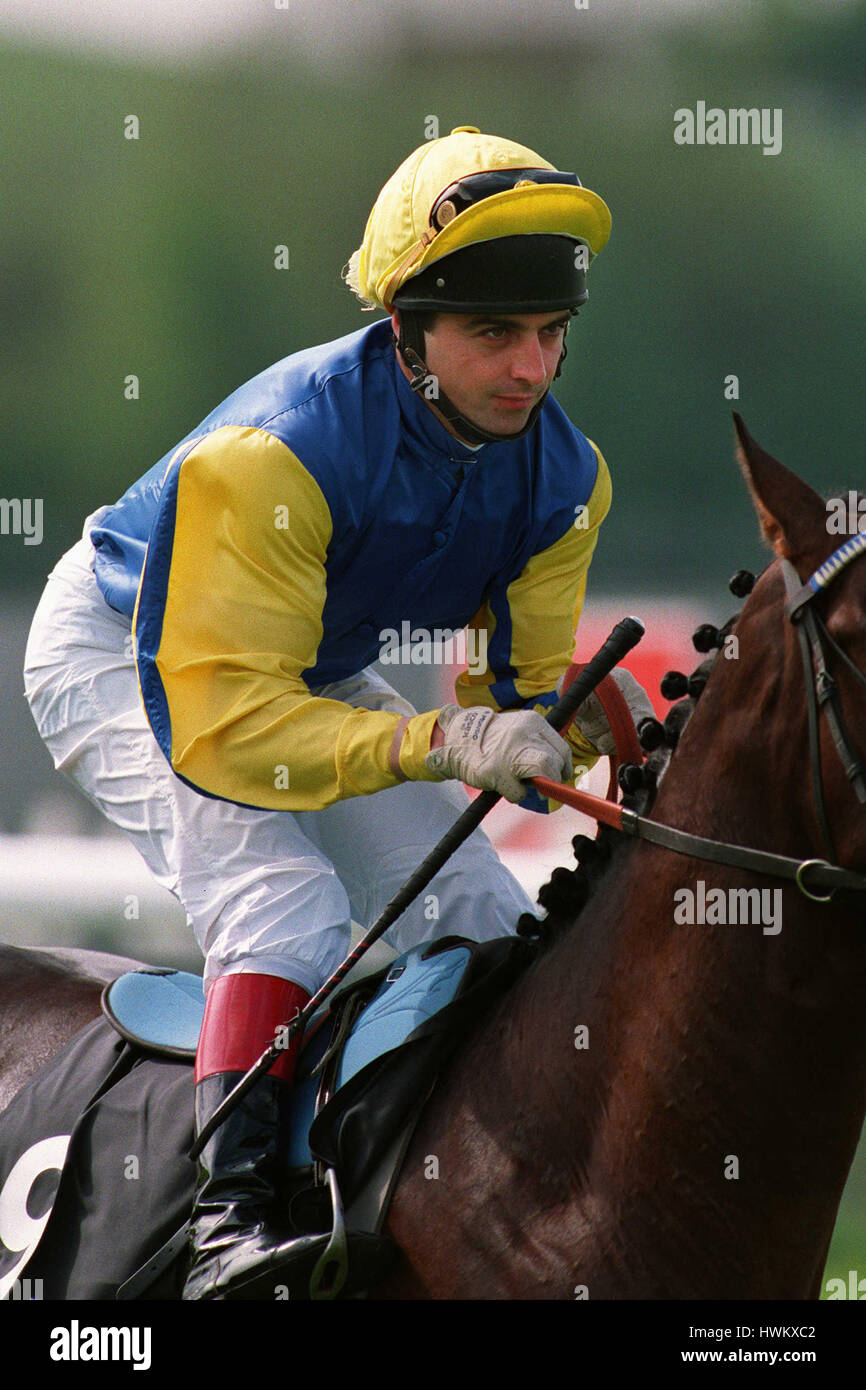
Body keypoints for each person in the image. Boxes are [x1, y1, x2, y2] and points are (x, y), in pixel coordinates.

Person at [23, 125, 652, 1299]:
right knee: (283, 907)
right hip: (129, 654)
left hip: (294, 666)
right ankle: (228, 1219)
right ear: (406, 332)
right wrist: (435, 741)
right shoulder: (272, 455)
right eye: (492, 335)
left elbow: (503, 696)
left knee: (479, 913)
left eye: (549, 335)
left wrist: (577, 711)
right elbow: (231, 733)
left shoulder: (564, 479)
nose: (529, 370)